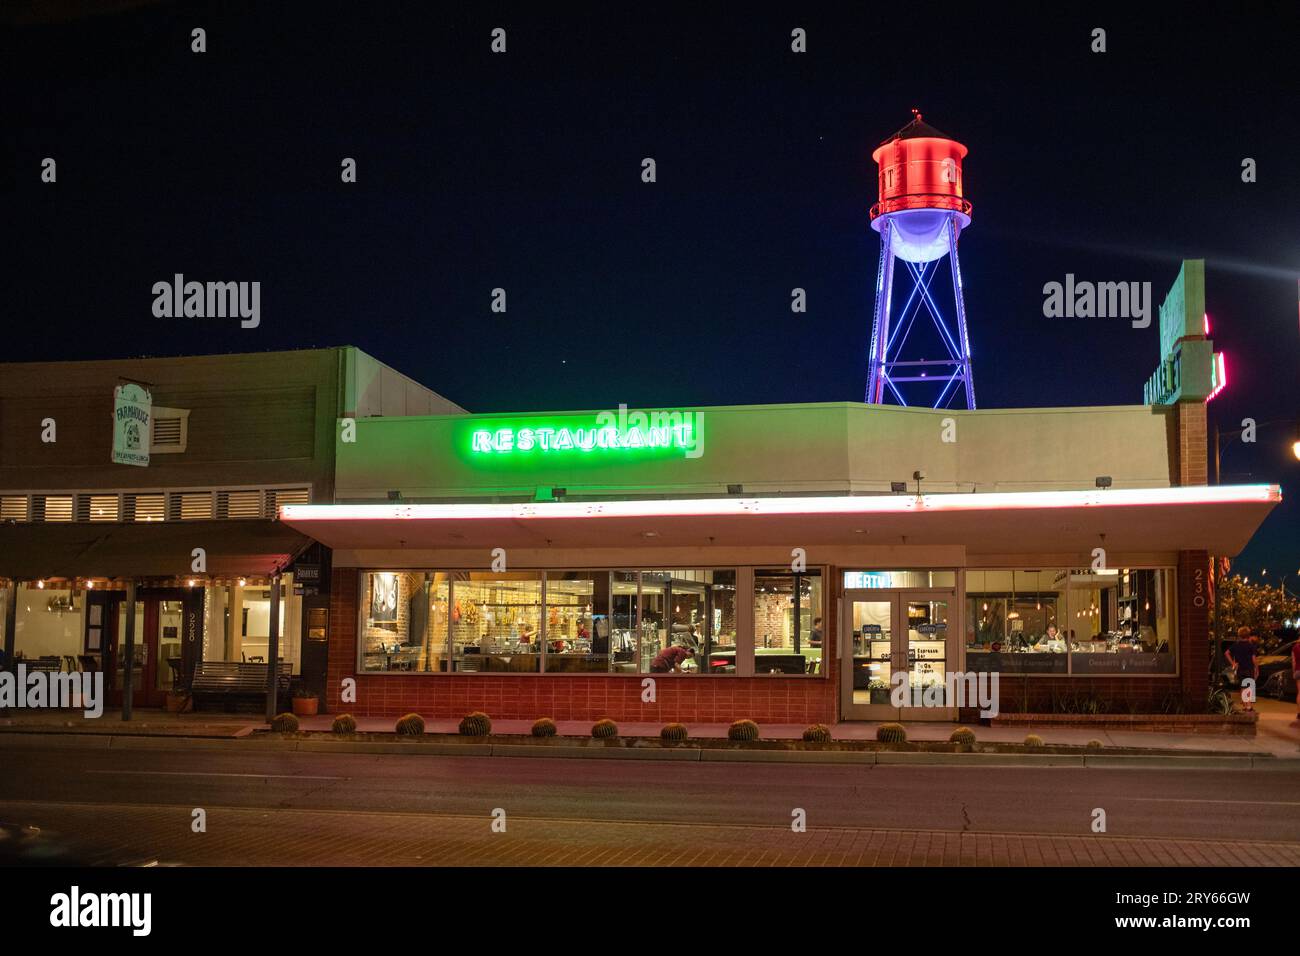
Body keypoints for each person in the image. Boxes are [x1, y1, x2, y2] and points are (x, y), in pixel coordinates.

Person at [1224, 627, 1260, 712]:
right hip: (1249, 668)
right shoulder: (1251, 646)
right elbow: (1254, 659)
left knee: (1243, 686)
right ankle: (1249, 706)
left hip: (1240, 669)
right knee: (1249, 687)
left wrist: (1233, 663)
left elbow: (1226, 653)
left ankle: (1245, 705)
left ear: (1239, 635)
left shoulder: (1236, 645)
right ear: (1248, 635)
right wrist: (1257, 668)